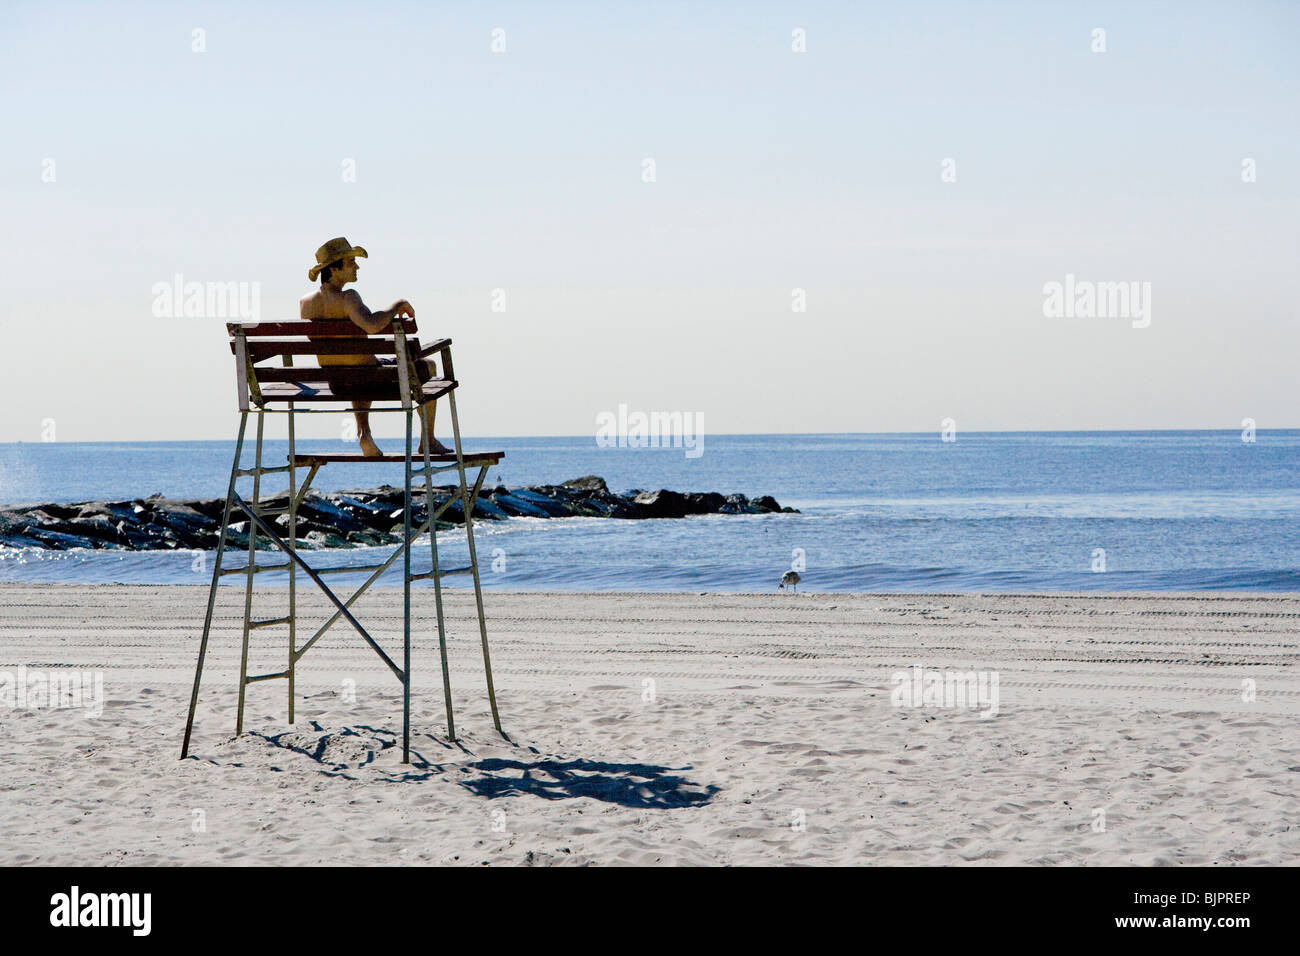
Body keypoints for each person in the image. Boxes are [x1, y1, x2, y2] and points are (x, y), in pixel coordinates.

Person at [299, 237, 452, 457]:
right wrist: (398, 305)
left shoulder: (306, 303)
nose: (357, 267)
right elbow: (371, 325)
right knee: (428, 365)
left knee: (358, 369)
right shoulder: (348, 298)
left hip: (339, 383)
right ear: (334, 268)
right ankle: (427, 440)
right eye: (351, 262)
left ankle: (365, 434)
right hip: (374, 381)